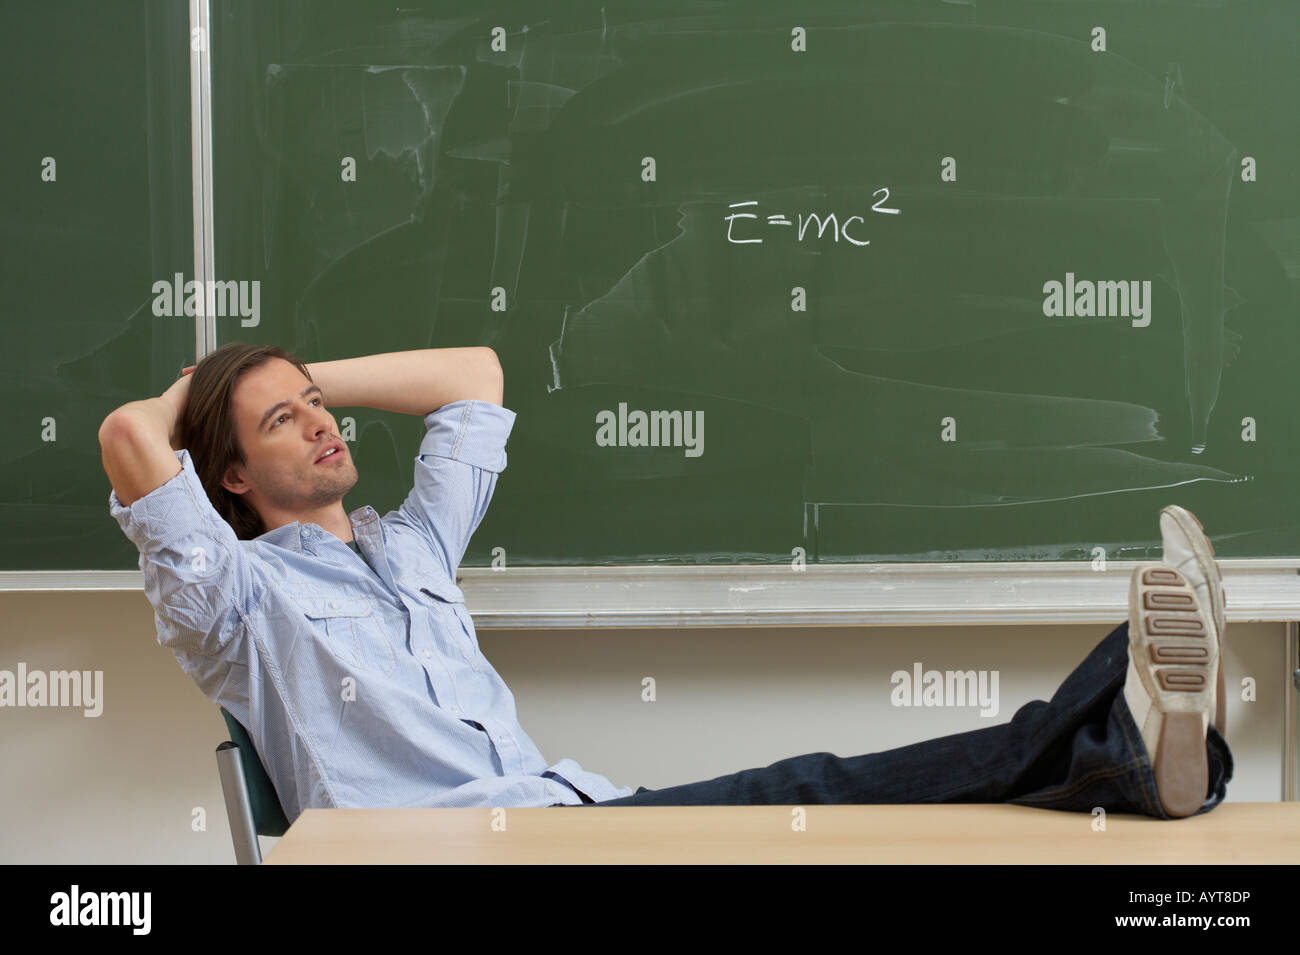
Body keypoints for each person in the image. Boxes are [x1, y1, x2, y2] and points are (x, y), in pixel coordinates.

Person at [99, 342, 1231, 824]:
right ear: (231, 474)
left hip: (568, 820)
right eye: (280, 424)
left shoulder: (408, 549)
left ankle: (1133, 755)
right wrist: (208, 385)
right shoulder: (236, 604)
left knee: (849, 813)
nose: (321, 423)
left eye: (318, 406)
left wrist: (285, 367)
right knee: (821, 792)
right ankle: (1129, 726)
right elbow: (125, 435)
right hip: (466, 851)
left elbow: (475, 378)